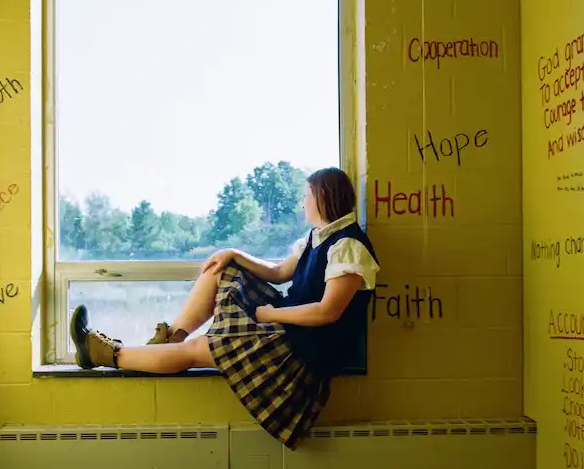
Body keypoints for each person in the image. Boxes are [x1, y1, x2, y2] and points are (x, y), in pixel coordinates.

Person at [69, 167, 380, 450]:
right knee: (221, 270)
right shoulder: (319, 237)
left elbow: (327, 312)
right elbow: (279, 272)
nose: (302, 204)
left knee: (203, 347)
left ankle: (105, 353)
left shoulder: (348, 245)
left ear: (322, 197)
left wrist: (270, 314)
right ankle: (168, 341)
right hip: (288, 330)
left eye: (306, 196)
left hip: (299, 355)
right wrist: (233, 253)